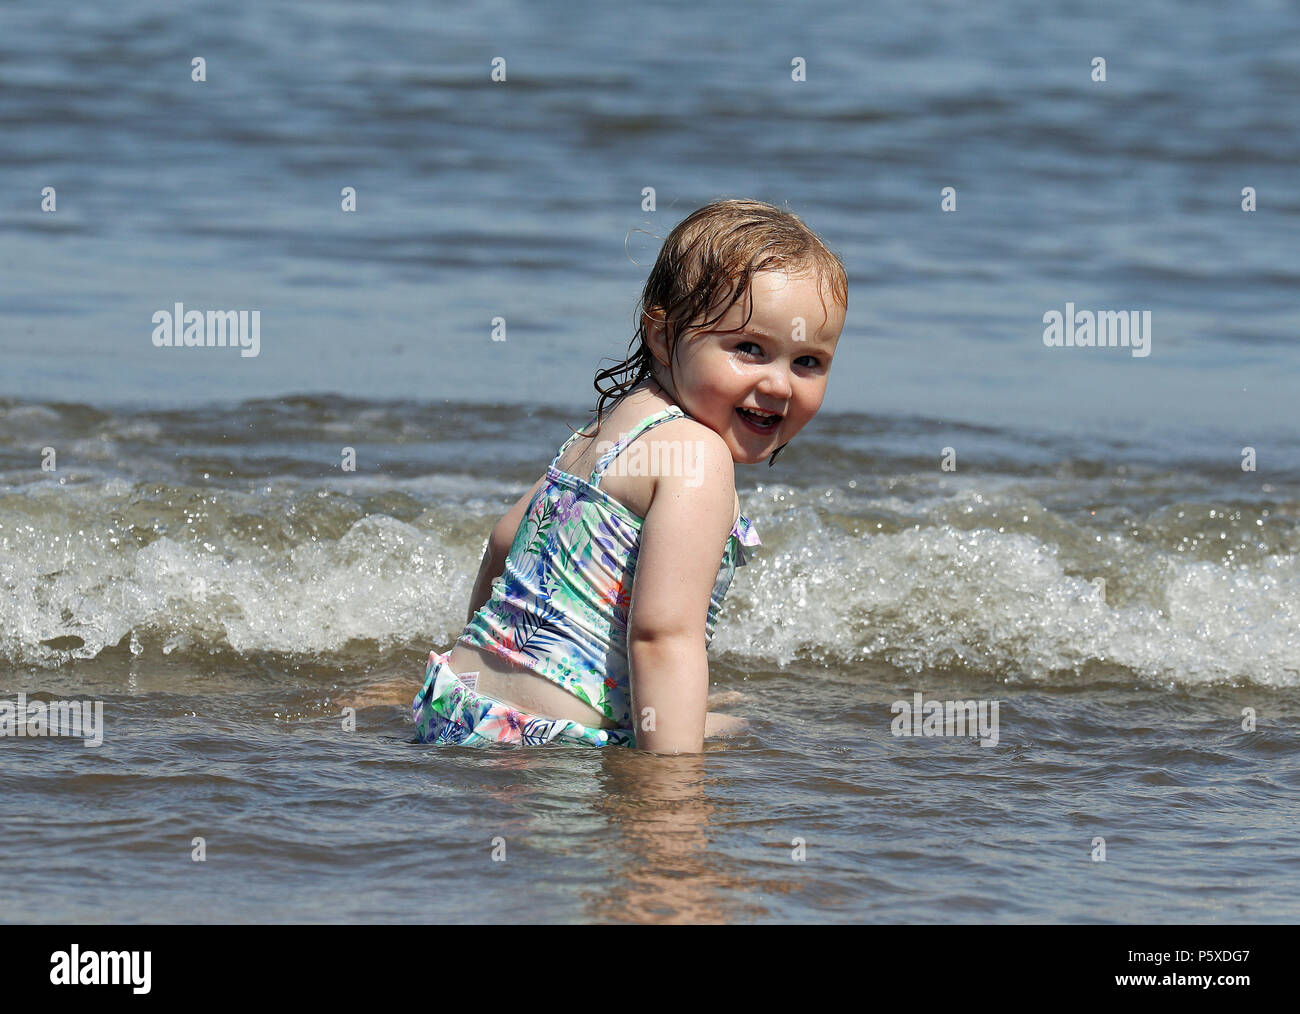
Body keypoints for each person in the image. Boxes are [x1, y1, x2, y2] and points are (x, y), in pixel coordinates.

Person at [413, 198, 848, 753]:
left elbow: (503, 541)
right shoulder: (697, 454)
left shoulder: (604, 432)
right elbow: (662, 638)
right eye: (749, 349)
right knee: (755, 737)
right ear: (663, 337)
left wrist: (473, 667)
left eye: (807, 362)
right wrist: (670, 798)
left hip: (455, 707)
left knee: (725, 713)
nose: (781, 385)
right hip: (542, 749)